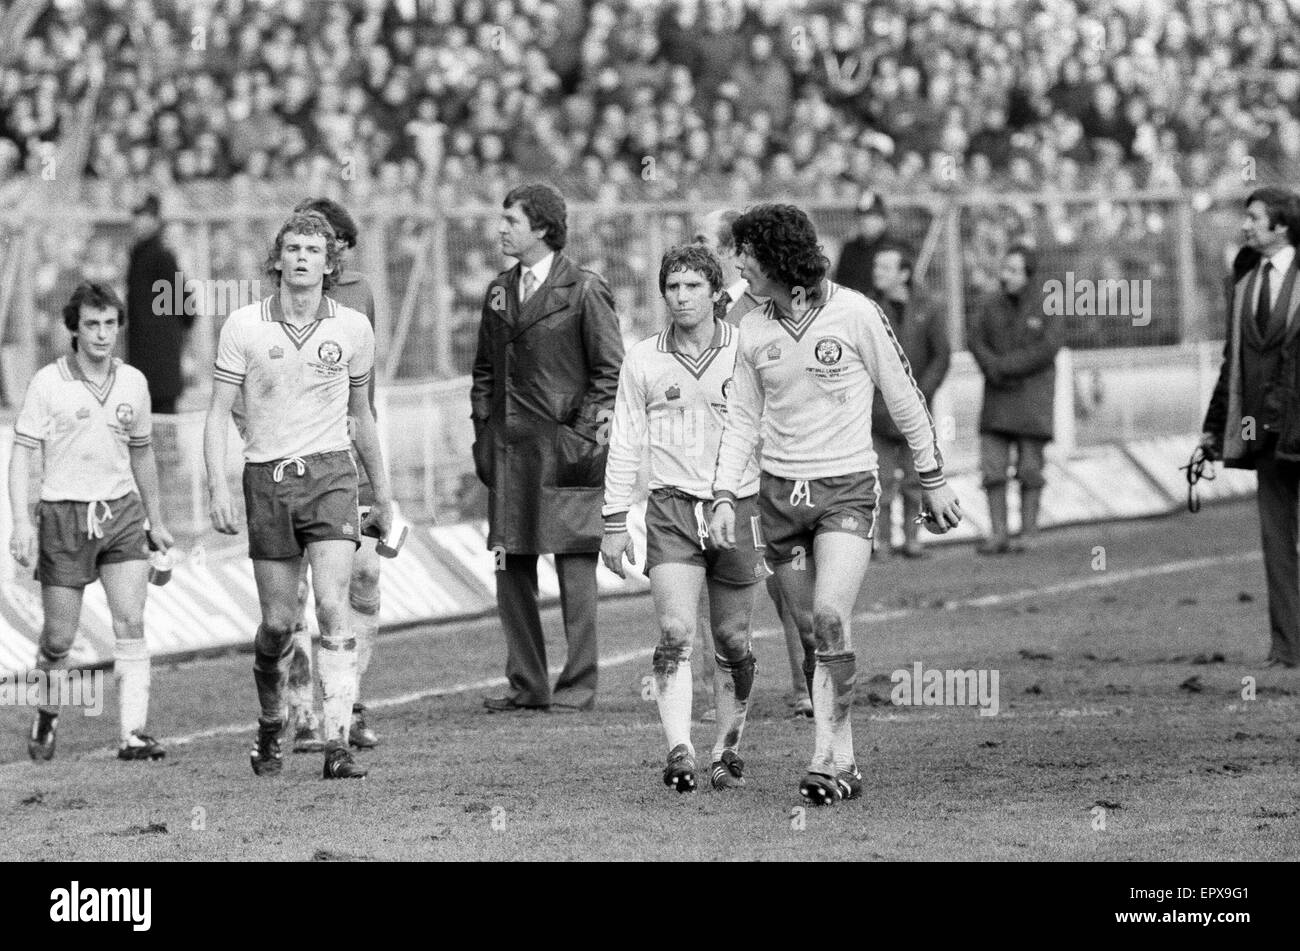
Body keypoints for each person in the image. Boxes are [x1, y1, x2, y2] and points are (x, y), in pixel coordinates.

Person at [709, 204, 961, 806]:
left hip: (846, 489)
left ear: (775, 258)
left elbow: (903, 395)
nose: (737, 263)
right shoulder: (751, 329)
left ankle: (826, 758)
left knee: (828, 615)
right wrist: (722, 493)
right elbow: (742, 421)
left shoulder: (855, 313)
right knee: (807, 630)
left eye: (746, 253)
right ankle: (845, 762)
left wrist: (933, 477)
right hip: (779, 499)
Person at [203, 210, 392, 779]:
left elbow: (362, 416)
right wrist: (218, 487)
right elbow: (216, 414)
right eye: (293, 248)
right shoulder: (243, 326)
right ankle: (270, 723)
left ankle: (336, 745)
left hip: (332, 476)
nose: (303, 257)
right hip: (267, 479)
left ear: (331, 262)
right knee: (279, 624)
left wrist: (383, 493)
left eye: (314, 248)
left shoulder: (353, 328)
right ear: (278, 259)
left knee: (333, 608)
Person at [602, 244, 763, 792]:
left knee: (733, 638)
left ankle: (727, 747)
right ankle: (679, 751)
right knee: (674, 631)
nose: (681, 297)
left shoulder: (745, 350)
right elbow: (624, 441)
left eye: (693, 286)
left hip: (738, 505)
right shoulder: (644, 358)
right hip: (670, 509)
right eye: (672, 287)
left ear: (716, 293)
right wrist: (614, 519)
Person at [471, 183, 623, 712]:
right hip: (509, 452)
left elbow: (610, 374)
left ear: (541, 228)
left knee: (575, 565)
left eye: (510, 220)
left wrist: (587, 440)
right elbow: (485, 371)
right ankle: (527, 685)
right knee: (510, 567)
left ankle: (578, 685)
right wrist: (482, 434)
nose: (501, 229)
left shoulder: (585, 288)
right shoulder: (496, 291)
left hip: (567, 450)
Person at [10, 281, 174, 762]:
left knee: (131, 620)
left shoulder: (133, 383)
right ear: (74, 331)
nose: (102, 334)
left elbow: (143, 455)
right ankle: (46, 715)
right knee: (59, 641)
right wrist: (21, 522)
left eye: (109, 324)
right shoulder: (48, 383)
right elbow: (22, 455)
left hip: (121, 513)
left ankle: (133, 734)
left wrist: (156, 519)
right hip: (63, 517)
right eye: (92, 325)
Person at [695, 208, 811, 717]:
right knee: (723, 581)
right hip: (729, 470)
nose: (694, 249)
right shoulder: (707, 311)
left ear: (729, 252)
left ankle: (809, 684)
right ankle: (720, 693)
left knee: (791, 583)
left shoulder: (770, 310)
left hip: (778, 463)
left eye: (704, 240)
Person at [281, 197, 384, 753]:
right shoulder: (270, 304)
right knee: (300, 594)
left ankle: (350, 699)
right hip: (292, 467)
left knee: (363, 576)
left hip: (351, 464)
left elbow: (366, 390)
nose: (327, 253)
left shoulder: (361, 296)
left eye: (333, 243)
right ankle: (301, 709)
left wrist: (377, 473)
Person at [1201, 186, 1300, 668]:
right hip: (1263, 432)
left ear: (1281, 226)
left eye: (1254, 218)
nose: (1245, 225)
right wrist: (1213, 425)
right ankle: (1287, 648)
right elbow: (1231, 361)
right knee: (1276, 543)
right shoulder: (1241, 283)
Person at [967, 244, 1063, 554]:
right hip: (997, 399)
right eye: (1004, 269)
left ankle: (1028, 532)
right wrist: (991, 366)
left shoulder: (1048, 304)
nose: (1005, 275)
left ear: (1028, 275)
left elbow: (1048, 347)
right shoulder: (989, 304)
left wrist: (1003, 366)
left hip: (1032, 400)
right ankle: (998, 534)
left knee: (1030, 469)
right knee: (992, 469)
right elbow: (975, 339)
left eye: (1013, 270)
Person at [870, 241, 951, 558]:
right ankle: (884, 542)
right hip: (876, 412)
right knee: (881, 480)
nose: (877, 272)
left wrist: (920, 394)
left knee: (916, 479)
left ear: (904, 274)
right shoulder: (866, 307)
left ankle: (913, 538)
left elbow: (940, 357)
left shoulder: (929, 307)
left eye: (885, 267)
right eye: (876, 266)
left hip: (916, 412)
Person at [124, 194, 194, 415]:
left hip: (160, 362)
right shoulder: (140, 255)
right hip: (146, 359)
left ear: (155, 220)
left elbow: (185, 304)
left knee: (163, 424)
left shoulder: (159, 256)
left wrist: (167, 334)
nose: (139, 222)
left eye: (145, 216)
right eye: (137, 216)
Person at [832, 190, 890, 298]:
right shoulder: (849, 249)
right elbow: (840, 283)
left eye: (871, 216)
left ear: (883, 219)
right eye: (861, 216)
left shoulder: (894, 248)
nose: (864, 221)